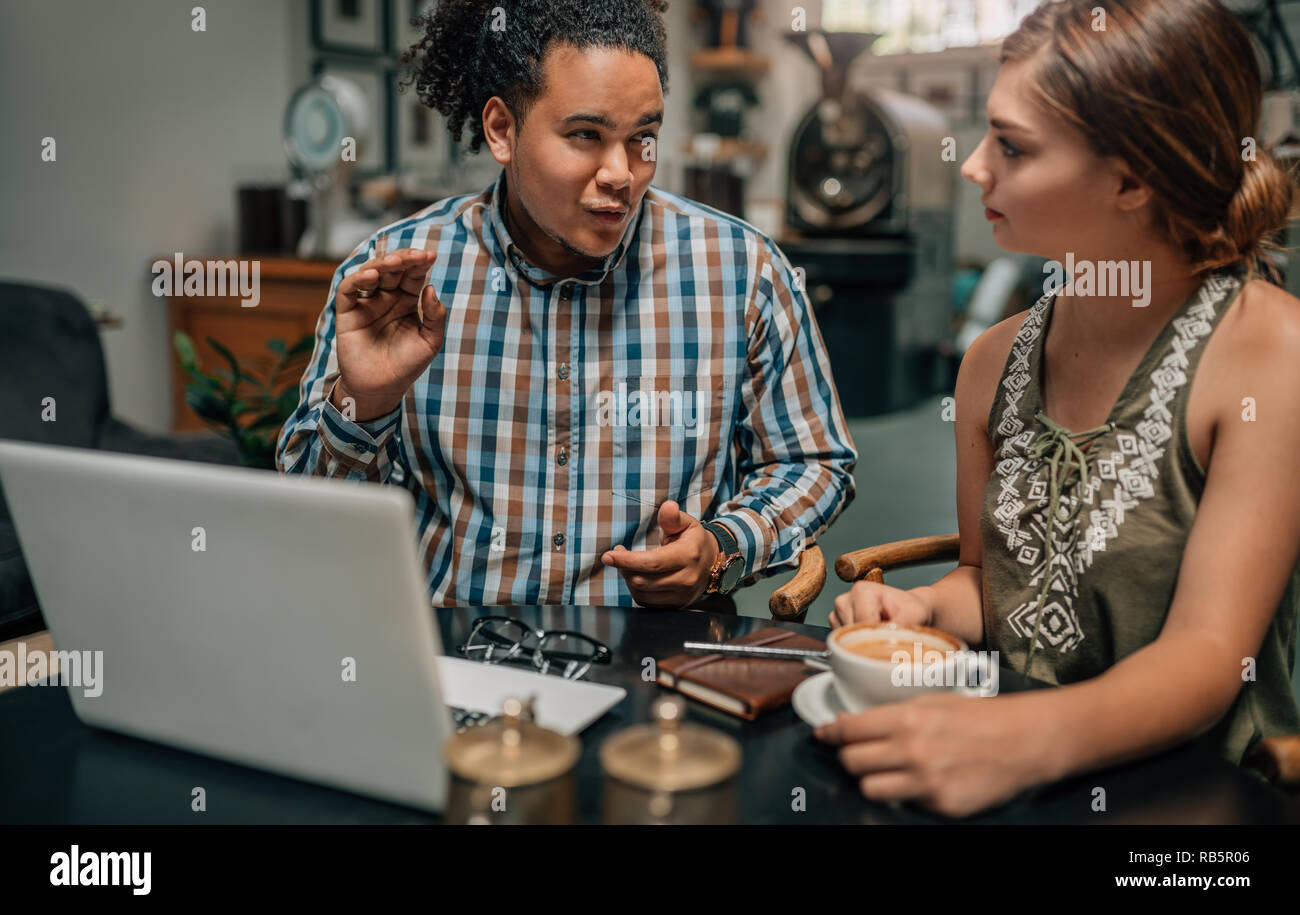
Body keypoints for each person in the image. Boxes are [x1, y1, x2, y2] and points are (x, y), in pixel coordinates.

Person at [820, 0, 1300, 817]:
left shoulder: (1268, 355)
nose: (974, 167)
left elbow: (1208, 657)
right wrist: (924, 608)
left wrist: (1014, 743)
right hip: (1017, 770)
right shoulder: (990, 363)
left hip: (1193, 803)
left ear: (1131, 179)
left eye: (1011, 146)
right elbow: (988, 581)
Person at [276, 0, 856, 611]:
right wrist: (364, 404)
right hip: (455, 648)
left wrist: (723, 547)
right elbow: (315, 523)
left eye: (642, 139)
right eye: (585, 135)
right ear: (502, 130)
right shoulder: (393, 278)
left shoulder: (742, 272)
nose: (621, 174)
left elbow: (814, 461)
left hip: (657, 655)